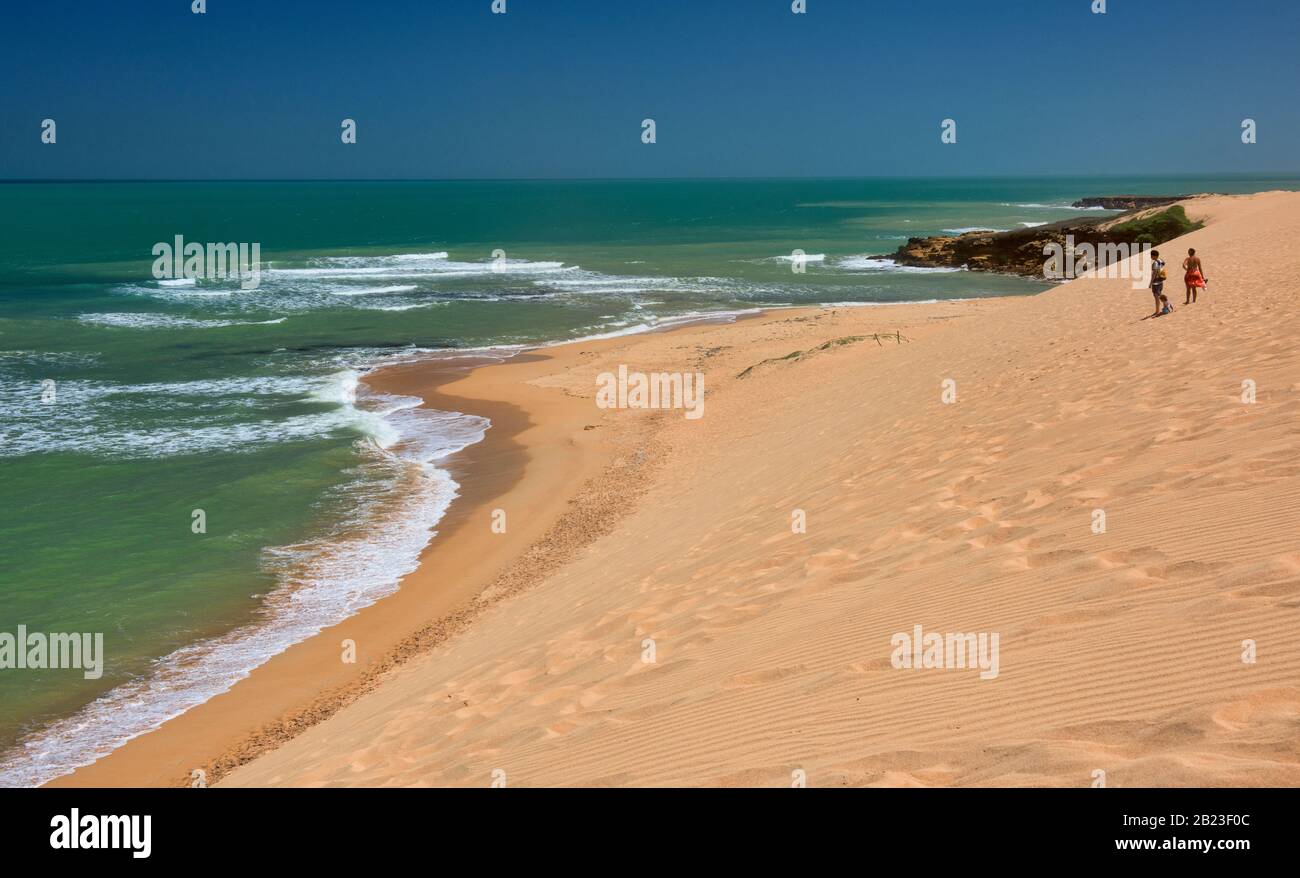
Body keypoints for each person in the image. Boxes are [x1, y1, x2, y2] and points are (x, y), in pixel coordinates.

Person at [1149, 249, 1168, 317]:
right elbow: (1163, 264)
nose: (1151, 257)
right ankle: (1166, 307)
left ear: (1154, 255)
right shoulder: (1160, 260)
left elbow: (1154, 273)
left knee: (1157, 297)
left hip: (1156, 282)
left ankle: (1158, 311)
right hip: (1161, 280)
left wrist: (1151, 283)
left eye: (1151, 255)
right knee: (1160, 294)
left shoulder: (1155, 263)